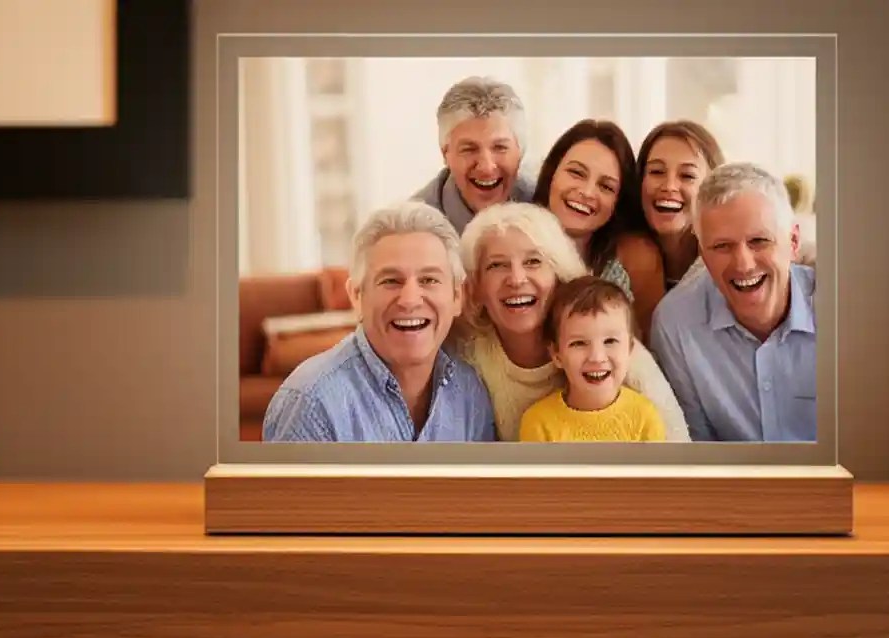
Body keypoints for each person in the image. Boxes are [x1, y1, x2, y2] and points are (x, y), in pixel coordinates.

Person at [449, 201, 690, 442]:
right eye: (496, 265)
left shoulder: (607, 342)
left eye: (533, 261)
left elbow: (678, 447)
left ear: (558, 274)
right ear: (476, 287)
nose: (516, 279)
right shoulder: (467, 356)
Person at [263, 201, 496, 442]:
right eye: (390, 281)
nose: (409, 300)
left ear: (458, 296)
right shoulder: (311, 405)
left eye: (428, 280)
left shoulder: (470, 391)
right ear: (357, 296)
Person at [648, 162, 817, 442]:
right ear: (702, 253)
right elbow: (695, 450)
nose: (743, 264)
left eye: (759, 241)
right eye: (722, 246)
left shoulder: (841, 310)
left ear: (794, 242)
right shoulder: (675, 323)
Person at [530, 119, 664, 342]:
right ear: (552, 173)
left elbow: (651, 351)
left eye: (606, 187)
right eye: (576, 173)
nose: (587, 192)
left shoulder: (636, 258)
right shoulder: (512, 240)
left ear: (617, 202)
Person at [519, 275, 665, 442]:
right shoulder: (539, 423)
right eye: (579, 343)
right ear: (557, 354)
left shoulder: (646, 418)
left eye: (610, 341)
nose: (597, 357)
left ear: (630, 348)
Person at [411, 76, 536, 235]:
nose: (486, 167)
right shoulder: (414, 230)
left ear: (520, 152)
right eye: (469, 149)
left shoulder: (546, 206)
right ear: (445, 153)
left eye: (500, 147)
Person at [634, 120, 726, 290]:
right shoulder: (618, 264)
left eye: (687, 175)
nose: (669, 186)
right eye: (657, 172)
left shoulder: (726, 265)